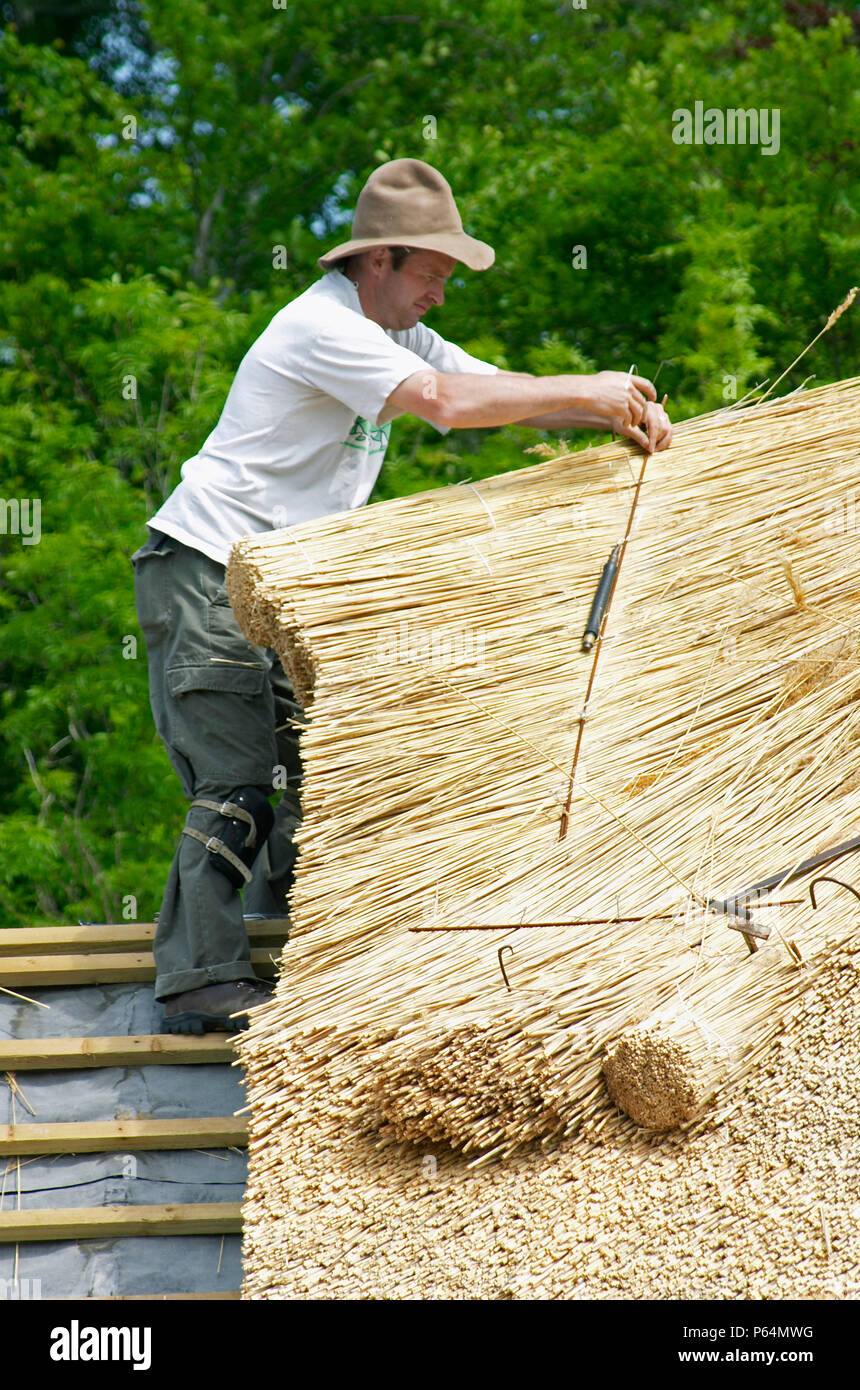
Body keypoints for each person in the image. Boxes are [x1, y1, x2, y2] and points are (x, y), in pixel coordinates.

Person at [131, 157, 672, 1035]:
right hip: (202, 571)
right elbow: (444, 404)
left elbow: (490, 387)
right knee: (235, 779)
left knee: (319, 772)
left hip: (278, 585)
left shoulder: (396, 334)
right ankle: (198, 978)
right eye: (433, 275)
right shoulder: (320, 327)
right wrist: (586, 389)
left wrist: (605, 412)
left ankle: (297, 946)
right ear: (379, 260)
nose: (441, 298)